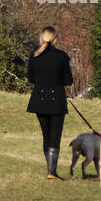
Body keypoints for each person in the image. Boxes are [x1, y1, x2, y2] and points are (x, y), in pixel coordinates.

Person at [27, 26, 74, 180]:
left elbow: (31, 79)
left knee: (46, 136)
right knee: (55, 137)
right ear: (55, 39)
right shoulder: (62, 56)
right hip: (57, 101)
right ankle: (51, 171)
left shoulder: (34, 56)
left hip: (39, 100)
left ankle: (50, 169)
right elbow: (68, 81)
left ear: (41, 38)